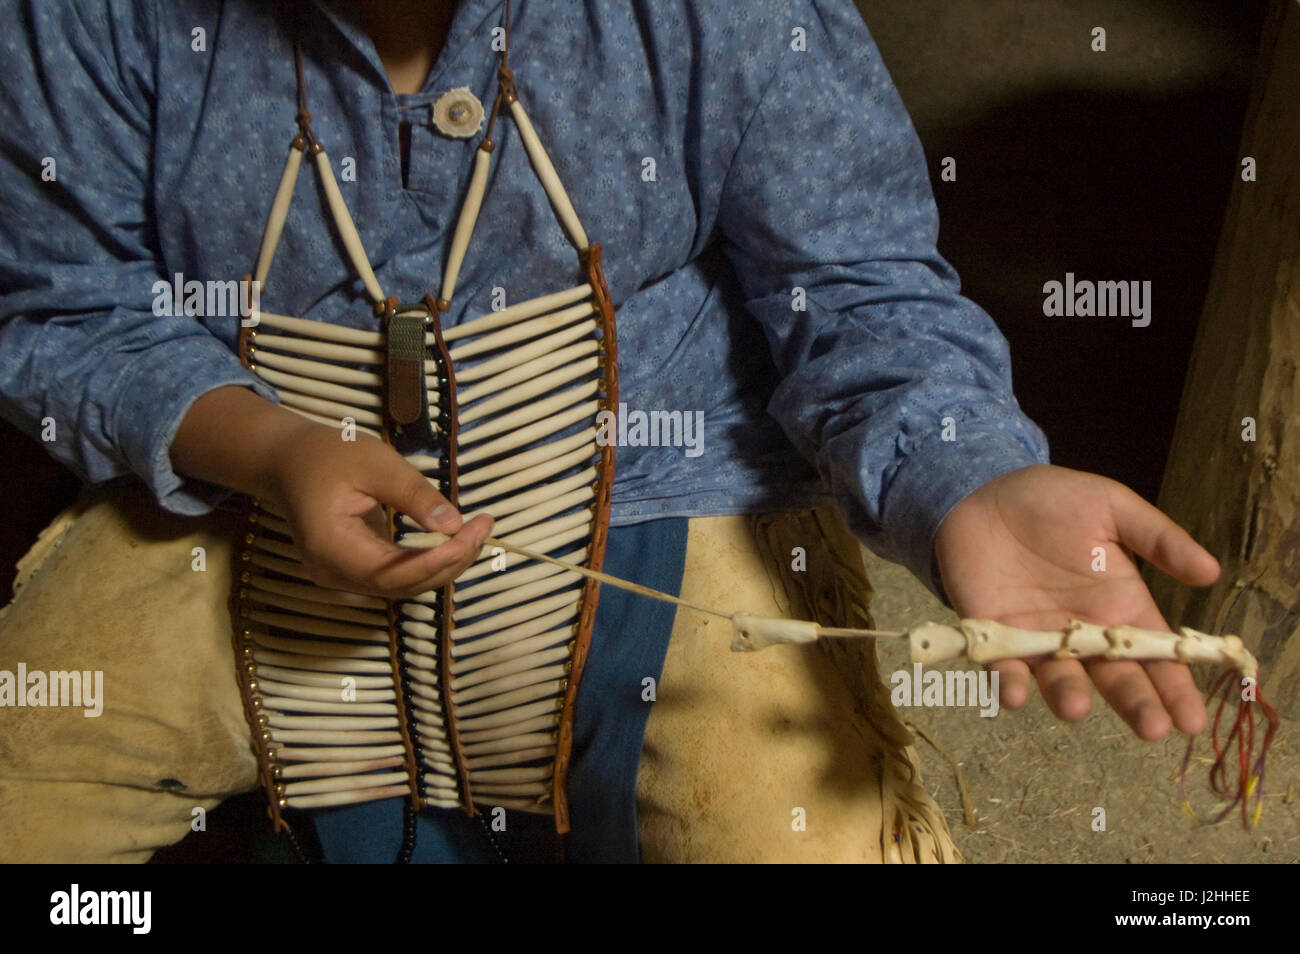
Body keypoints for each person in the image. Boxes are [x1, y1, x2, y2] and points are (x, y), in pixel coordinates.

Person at [0, 0, 1218, 862]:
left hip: (657, 487)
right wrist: (271, 453)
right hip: (242, 477)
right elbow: (67, 307)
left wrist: (967, 476)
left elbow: (853, 282)